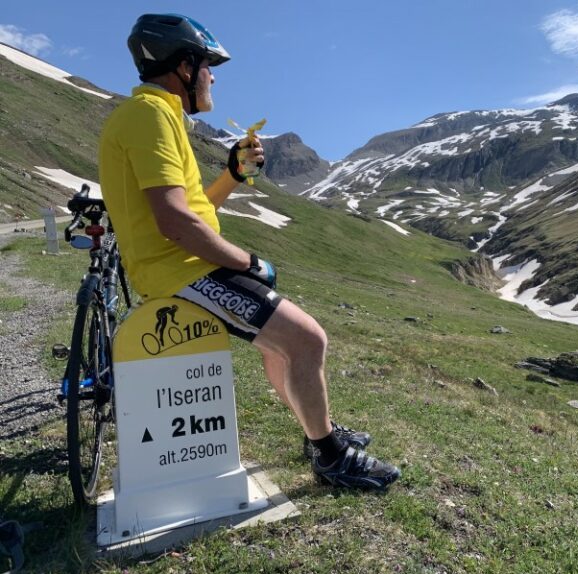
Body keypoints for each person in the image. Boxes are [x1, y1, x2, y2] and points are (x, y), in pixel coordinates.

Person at [99, 13, 400, 490]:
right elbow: (175, 223)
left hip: (181, 263)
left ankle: (316, 430)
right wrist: (247, 262)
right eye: (208, 66)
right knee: (307, 339)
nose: (213, 76)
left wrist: (232, 176)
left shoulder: (159, 116)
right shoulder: (149, 116)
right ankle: (330, 458)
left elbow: (195, 211)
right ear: (184, 66)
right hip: (177, 269)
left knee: (281, 343)